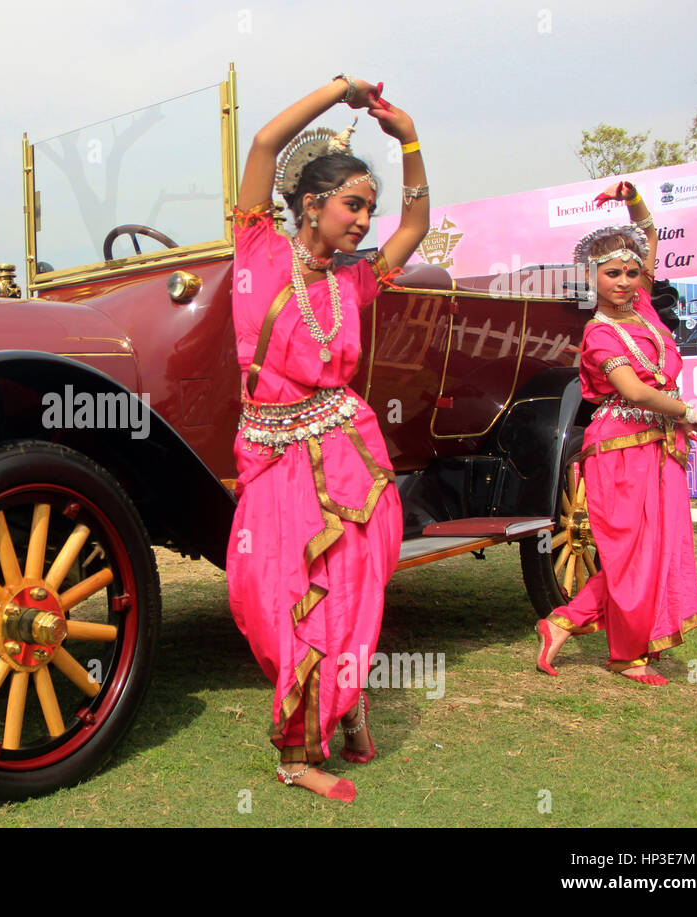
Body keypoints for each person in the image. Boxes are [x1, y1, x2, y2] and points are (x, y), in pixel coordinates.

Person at [226, 76, 429, 800]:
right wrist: (338, 90)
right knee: (283, 601)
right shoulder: (255, 250)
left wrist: (406, 137)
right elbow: (264, 143)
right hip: (277, 462)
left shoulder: (353, 281)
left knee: (351, 590)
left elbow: (417, 226)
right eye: (352, 204)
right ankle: (297, 748)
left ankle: (345, 711)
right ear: (310, 204)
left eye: (369, 208)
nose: (365, 220)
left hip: (349, 457)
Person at [535, 181, 697, 685]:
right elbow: (634, 392)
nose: (623, 280)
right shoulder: (598, 332)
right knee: (629, 553)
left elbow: (648, 234)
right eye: (611, 272)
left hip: (661, 448)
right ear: (590, 278)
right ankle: (623, 653)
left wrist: (632, 198)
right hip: (618, 449)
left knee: (656, 550)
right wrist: (689, 411)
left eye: (632, 272)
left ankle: (565, 624)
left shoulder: (646, 314)